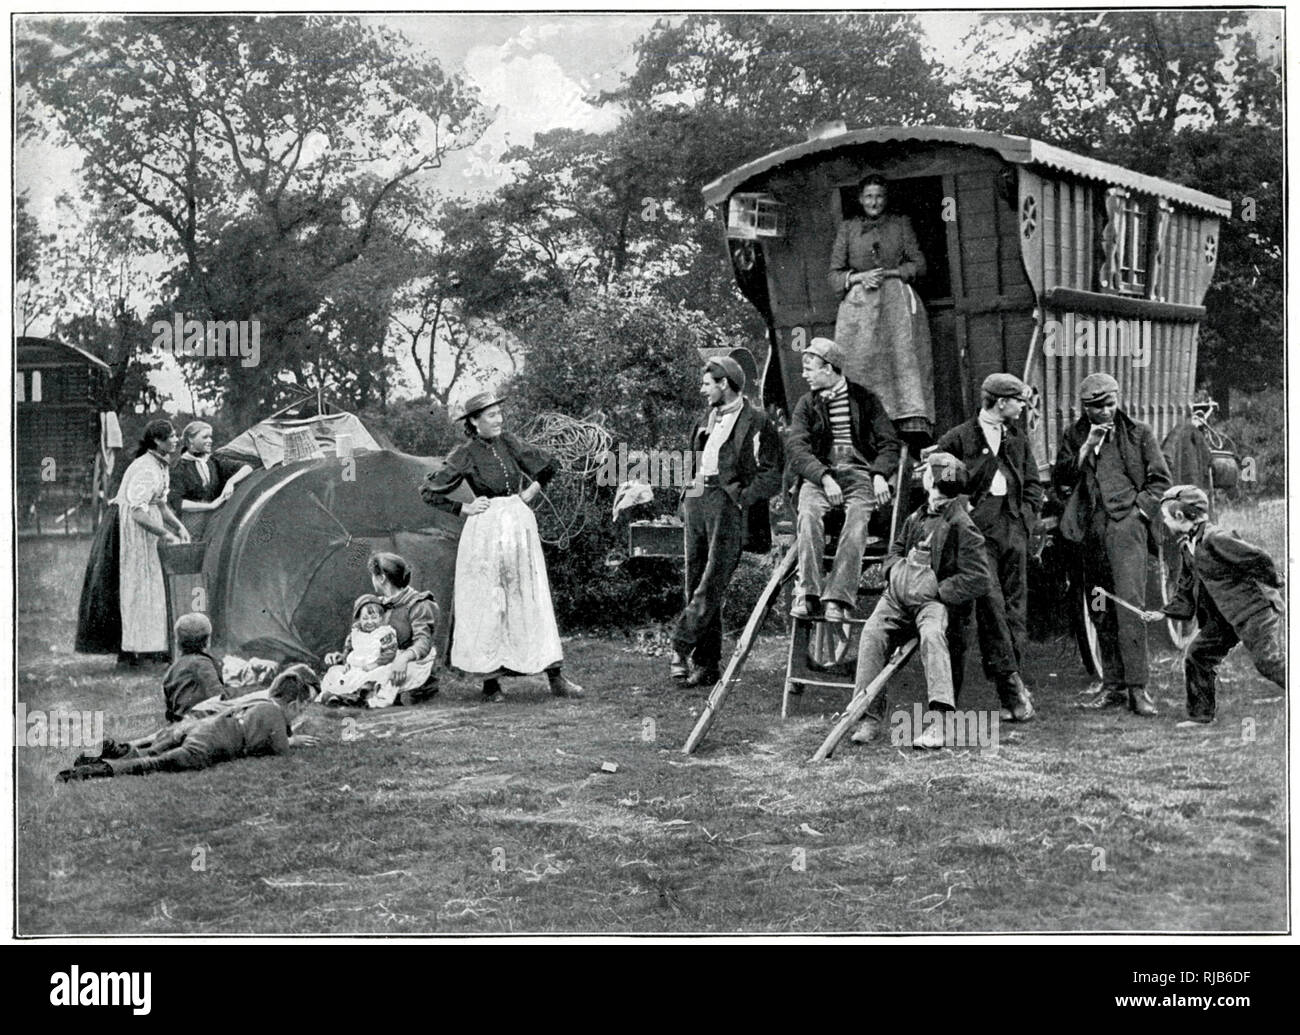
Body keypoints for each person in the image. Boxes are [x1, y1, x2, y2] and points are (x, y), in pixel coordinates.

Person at [421, 394, 583, 702]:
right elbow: (428, 490)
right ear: (473, 421)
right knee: (489, 600)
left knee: (529, 594)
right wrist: (462, 508)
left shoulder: (508, 442)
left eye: (499, 413)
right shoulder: (464, 453)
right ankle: (491, 683)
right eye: (491, 415)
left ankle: (555, 675)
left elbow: (548, 465)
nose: (499, 420)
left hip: (519, 524)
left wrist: (530, 492)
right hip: (485, 529)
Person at [849, 452, 992, 749]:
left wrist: (936, 590)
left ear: (931, 481)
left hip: (931, 604)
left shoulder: (962, 525)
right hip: (896, 599)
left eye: (928, 473)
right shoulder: (916, 516)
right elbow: (894, 552)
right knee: (872, 633)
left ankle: (940, 723)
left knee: (932, 636)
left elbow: (978, 577)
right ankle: (868, 717)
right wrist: (896, 572)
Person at [1053, 372, 1172, 716]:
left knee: (1130, 607)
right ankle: (1113, 686)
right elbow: (1061, 479)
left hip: (1127, 529)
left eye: (1110, 404)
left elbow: (1161, 481)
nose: (1106, 411)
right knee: (1099, 607)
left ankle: (1138, 688)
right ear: (1085, 408)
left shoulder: (1139, 433)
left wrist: (1139, 512)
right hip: (1091, 531)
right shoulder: (1074, 435)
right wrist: (1086, 447)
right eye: (1097, 407)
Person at [669, 357, 784, 688]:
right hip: (698, 499)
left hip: (728, 504)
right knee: (694, 580)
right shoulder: (707, 417)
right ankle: (706, 666)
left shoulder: (758, 421)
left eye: (708, 384)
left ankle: (679, 645)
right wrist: (687, 495)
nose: (703, 389)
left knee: (713, 580)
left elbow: (773, 472)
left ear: (725, 384)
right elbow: (696, 462)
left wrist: (742, 498)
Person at [934, 372, 1043, 721]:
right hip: (976, 536)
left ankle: (1013, 687)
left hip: (1012, 530)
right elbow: (938, 480)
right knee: (992, 604)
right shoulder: (958, 438)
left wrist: (1025, 519)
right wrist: (962, 507)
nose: (1023, 406)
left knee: (1014, 610)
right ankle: (1011, 692)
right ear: (1000, 403)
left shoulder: (1017, 438)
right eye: (1018, 401)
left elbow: (1034, 485)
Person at [1139, 485, 1286, 725]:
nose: (1164, 522)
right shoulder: (1187, 546)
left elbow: (1258, 558)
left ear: (1179, 517)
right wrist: (1162, 614)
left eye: (1166, 517)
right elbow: (1186, 589)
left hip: (1253, 611)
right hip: (1225, 617)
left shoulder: (1215, 538)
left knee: (1268, 662)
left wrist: (1275, 581)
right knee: (1198, 654)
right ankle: (1200, 716)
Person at [785, 336, 900, 622]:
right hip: (819, 478)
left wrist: (879, 476)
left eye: (809, 368)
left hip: (860, 476)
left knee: (858, 520)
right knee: (808, 515)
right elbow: (797, 448)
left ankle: (838, 599)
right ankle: (808, 594)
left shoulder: (865, 400)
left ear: (829, 368)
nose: (804, 375)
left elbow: (889, 444)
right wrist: (824, 477)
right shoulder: (806, 404)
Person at [56, 665, 320, 781]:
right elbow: (279, 750)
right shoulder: (274, 714)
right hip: (213, 741)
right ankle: (95, 772)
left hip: (202, 725)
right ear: (294, 705)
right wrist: (292, 741)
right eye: (301, 709)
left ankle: (106, 751)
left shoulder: (259, 702)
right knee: (156, 764)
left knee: (153, 749)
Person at [828, 173, 935, 439]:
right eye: (868, 196)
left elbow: (919, 265)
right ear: (860, 199)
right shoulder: (848, 228)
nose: (874, 202)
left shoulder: (900, 225)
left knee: (902, 360)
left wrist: (890, 273)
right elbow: (833, 276)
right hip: (859, 309)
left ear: (885, 199)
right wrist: (859, 277)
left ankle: (908, 428)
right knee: (860, 363)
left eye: (878, 196)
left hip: (895, 304)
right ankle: (861, 424)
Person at [77, 420, 191, 664]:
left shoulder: (160, 465)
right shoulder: (145, 468)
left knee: (152, 586)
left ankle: (153, 646)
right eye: (170, 437)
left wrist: (178, 526)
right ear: (157, 441)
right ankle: (133, 650)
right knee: (136, 586)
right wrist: (164, 533)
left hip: (146, 530)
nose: (175, 440)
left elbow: (159, 502)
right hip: (129, 532)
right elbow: (138, 513)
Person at [325, 553, 442, 707]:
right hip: (380, 659)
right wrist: (346, 656)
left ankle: (364, 696)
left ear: (381, 578)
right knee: (345, 672)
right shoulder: (377, 605)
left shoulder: (418, 604)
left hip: (410, 662)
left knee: (385, 676)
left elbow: (423, 642)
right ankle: (347, 694)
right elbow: (366, 639)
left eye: (373, 575)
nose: (372, 579)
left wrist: (403, 658)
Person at [318, 595, 409, 708]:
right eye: (365, 618)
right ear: (359, 619)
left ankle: (365, 697)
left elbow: (390, 653)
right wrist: (346, 662)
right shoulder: (356, 634)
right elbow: (348, 650)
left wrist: (374, 664)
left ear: (381, 618)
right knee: (334, 672)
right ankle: (334, 695)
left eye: (374, 618)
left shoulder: (384, 633)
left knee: (385, 676)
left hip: (377, 665)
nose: (370, 622)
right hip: (356, 667)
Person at [167, 420, 253, 535]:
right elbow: (178, 503)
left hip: (216, 520)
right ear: (190, 439)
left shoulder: (213, 461)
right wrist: (210, 506)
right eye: (205, 437)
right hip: (192, 524)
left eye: (210, 437)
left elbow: (248, 467)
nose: (210, 441)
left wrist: (230, 482)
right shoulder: (178, 467)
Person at [162, 612, 236, 722]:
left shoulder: (171, 671)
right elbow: (218, 697)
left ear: (177, 643)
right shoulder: (202, 664)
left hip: (180, 724)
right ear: (207, 642)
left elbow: (169, 710)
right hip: (201, 725)